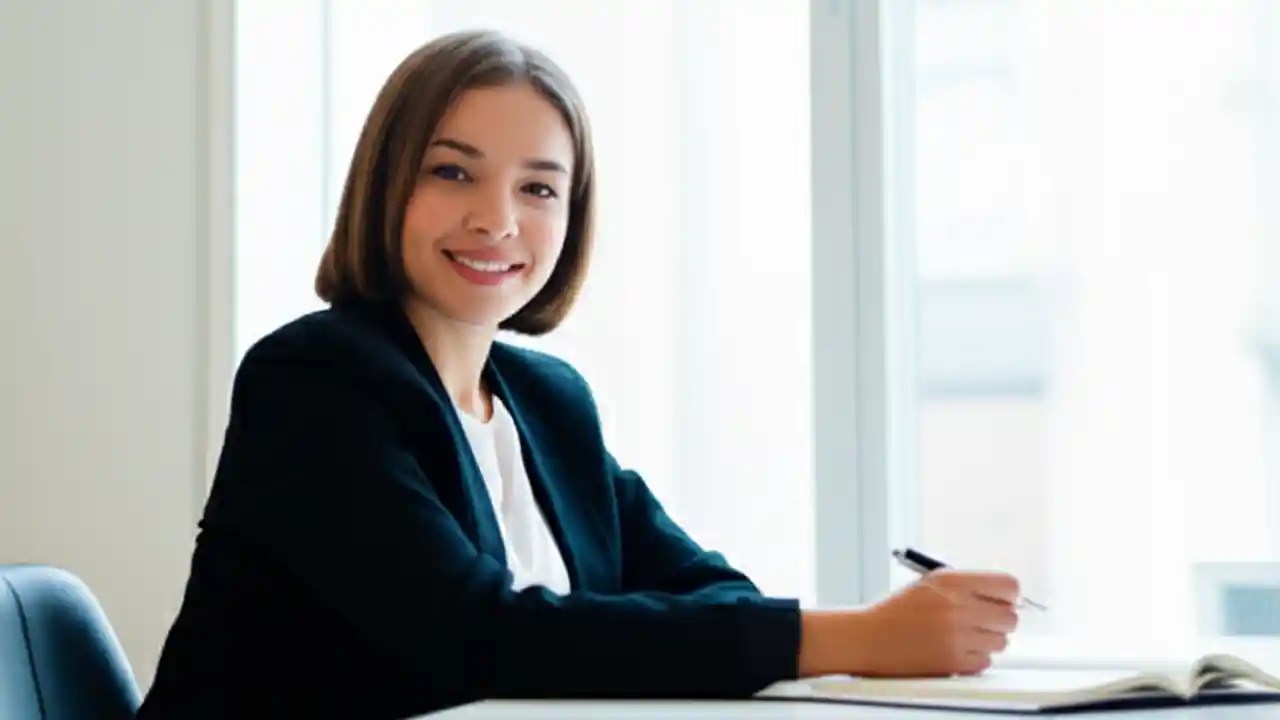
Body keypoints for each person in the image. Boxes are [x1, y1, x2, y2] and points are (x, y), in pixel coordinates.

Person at [137, 29, 1022, 718]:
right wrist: (859, 638)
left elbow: (704, 590)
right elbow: (475, 639)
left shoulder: (548, 404)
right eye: (453, 172)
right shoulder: (313, 382)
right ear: (386, 183)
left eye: (539, 188)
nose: (497, 220)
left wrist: (847, 637)